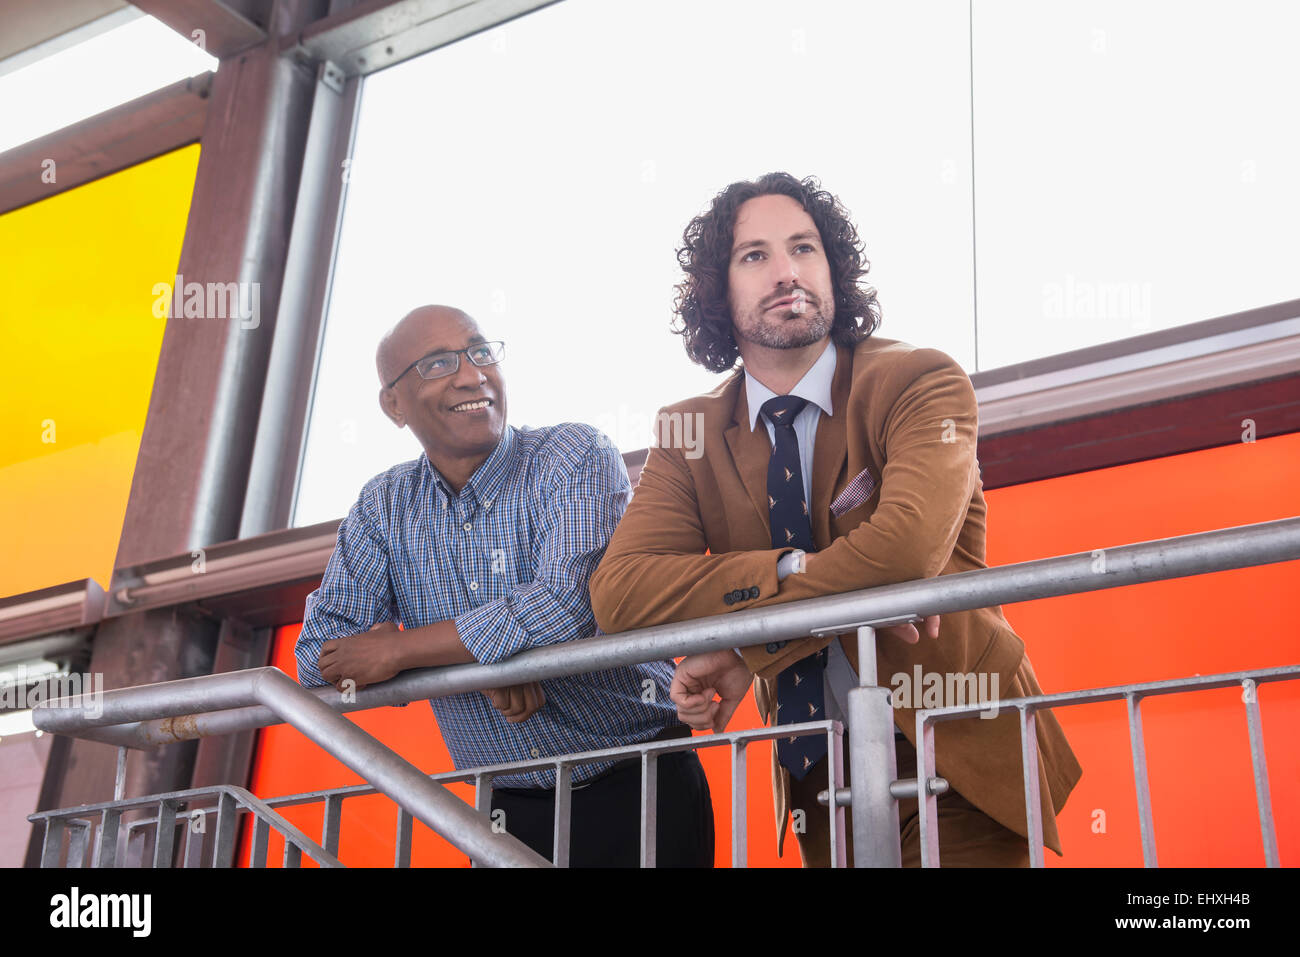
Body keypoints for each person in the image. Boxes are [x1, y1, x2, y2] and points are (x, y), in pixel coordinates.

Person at [589, 172, 1082, 867]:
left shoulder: (918, 379)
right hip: (818, 777)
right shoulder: (687, 432)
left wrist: (746, 646)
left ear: (833, 266)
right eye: (754, 255)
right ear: (716, 290)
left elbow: (904, 552)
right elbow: (621, 592)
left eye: (804, 247)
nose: (787, 272)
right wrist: (795, 570)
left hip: (957, 743)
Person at [294, 304, 714, 867]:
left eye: (481, 352)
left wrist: (402, 650)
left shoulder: (573, 455)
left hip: (640, 782)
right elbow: (316, 656)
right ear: (393, 404)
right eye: (439, 363)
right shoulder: (381, 506)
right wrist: (488, 664)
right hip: (502, 814)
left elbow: (569, 605)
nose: (472, 375)